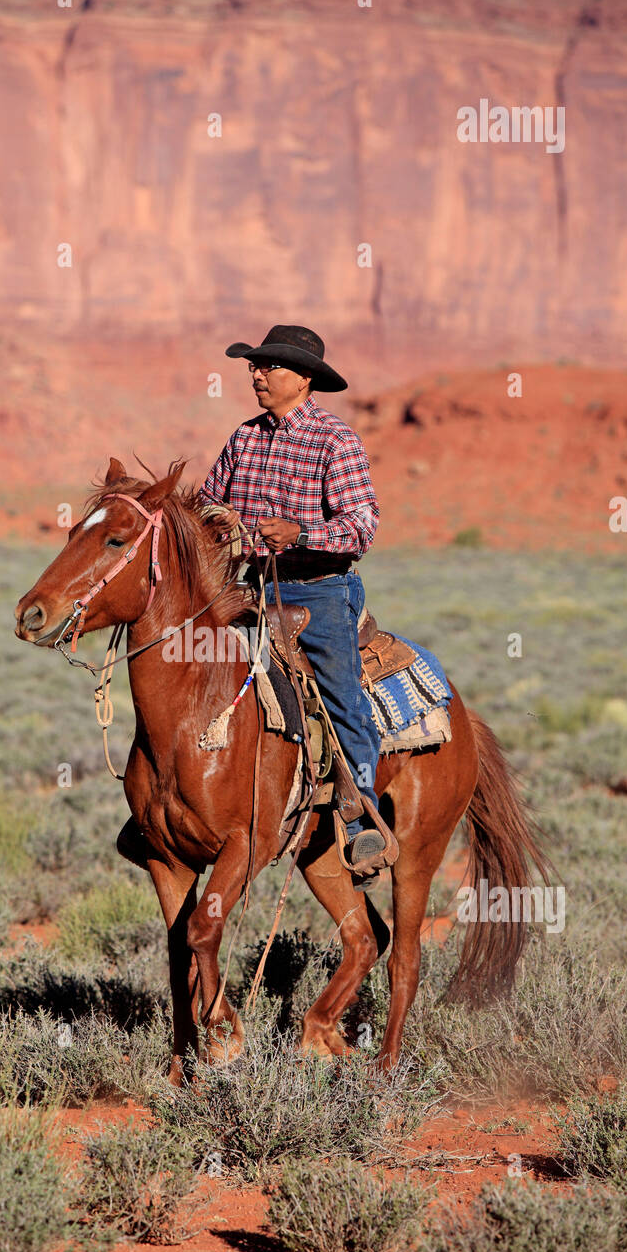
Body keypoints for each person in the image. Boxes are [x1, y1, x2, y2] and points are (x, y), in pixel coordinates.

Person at [199, 324, 386, 870]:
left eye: (269, 367)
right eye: (254, 366)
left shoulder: (335, 440)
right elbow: (209, 504)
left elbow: (361, 528)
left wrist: (301, 534)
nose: (256, 375)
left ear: (304, 379)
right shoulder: (244, 438)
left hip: (320, 591)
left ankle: (361, 822)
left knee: (341, 696)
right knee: (185, 664)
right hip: (249, 588)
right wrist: (215, 520)